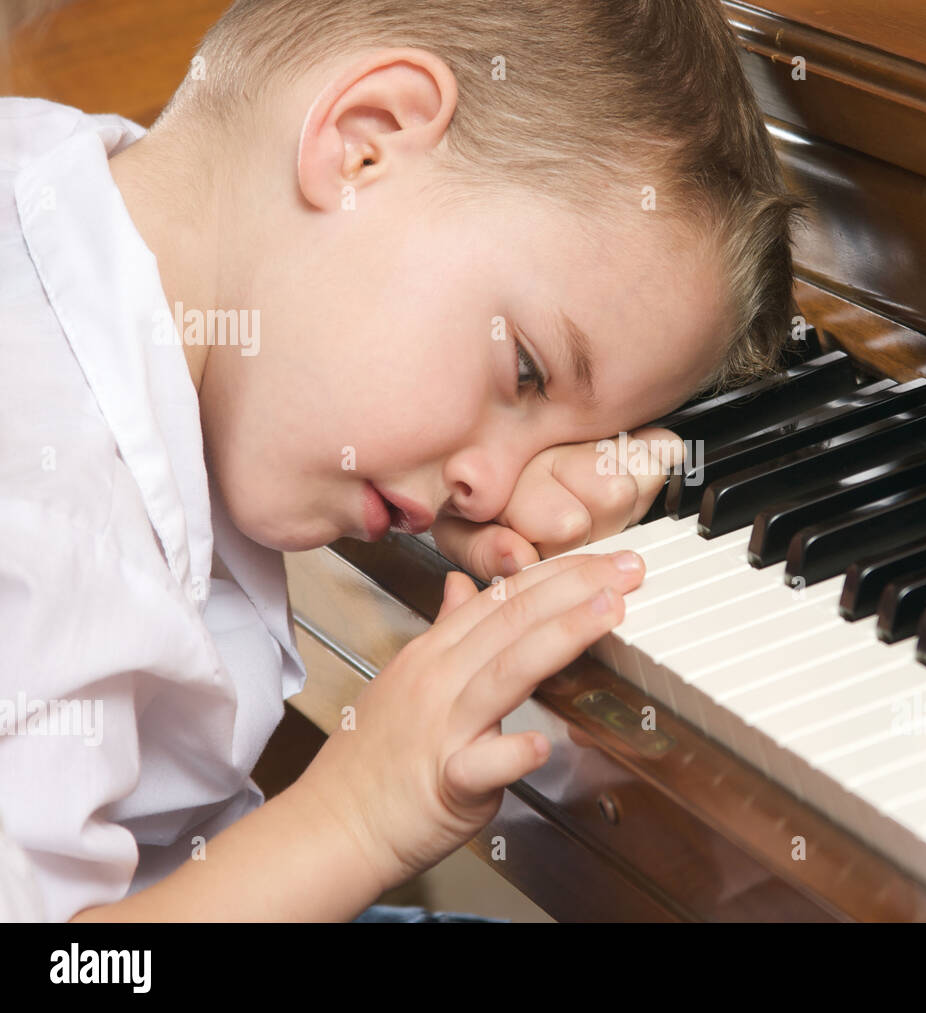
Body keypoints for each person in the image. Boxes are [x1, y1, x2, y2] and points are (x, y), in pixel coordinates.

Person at [0, 0, 801, 921]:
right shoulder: (47, 520)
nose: (496, 487)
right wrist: (356, 820)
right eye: (528, 370)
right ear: (363, 145)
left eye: (563, 442)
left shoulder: (66, 191)